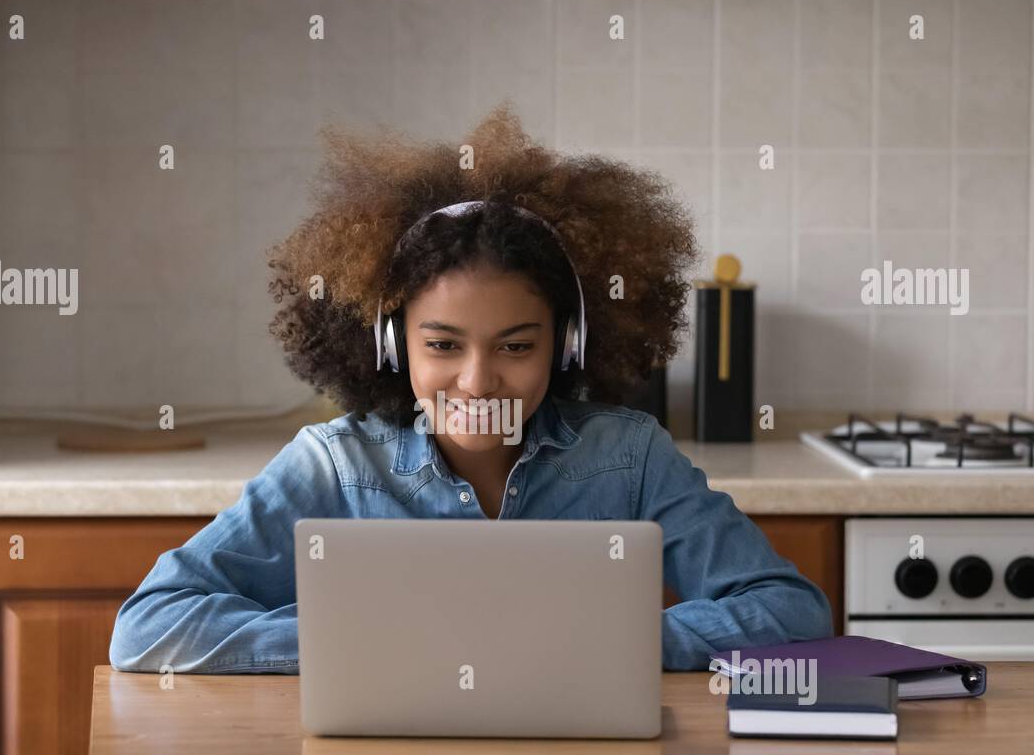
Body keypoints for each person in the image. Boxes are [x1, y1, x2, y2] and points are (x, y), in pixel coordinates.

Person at [109, 102, 832, 675]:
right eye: (442, 346)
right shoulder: (336, 465)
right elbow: (149, 626)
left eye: (517, 346)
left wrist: (603, 645)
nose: (478, 380)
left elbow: (792, 611)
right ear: (392, 346)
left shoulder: (629, 458)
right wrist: (375, 644)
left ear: (568, 343)